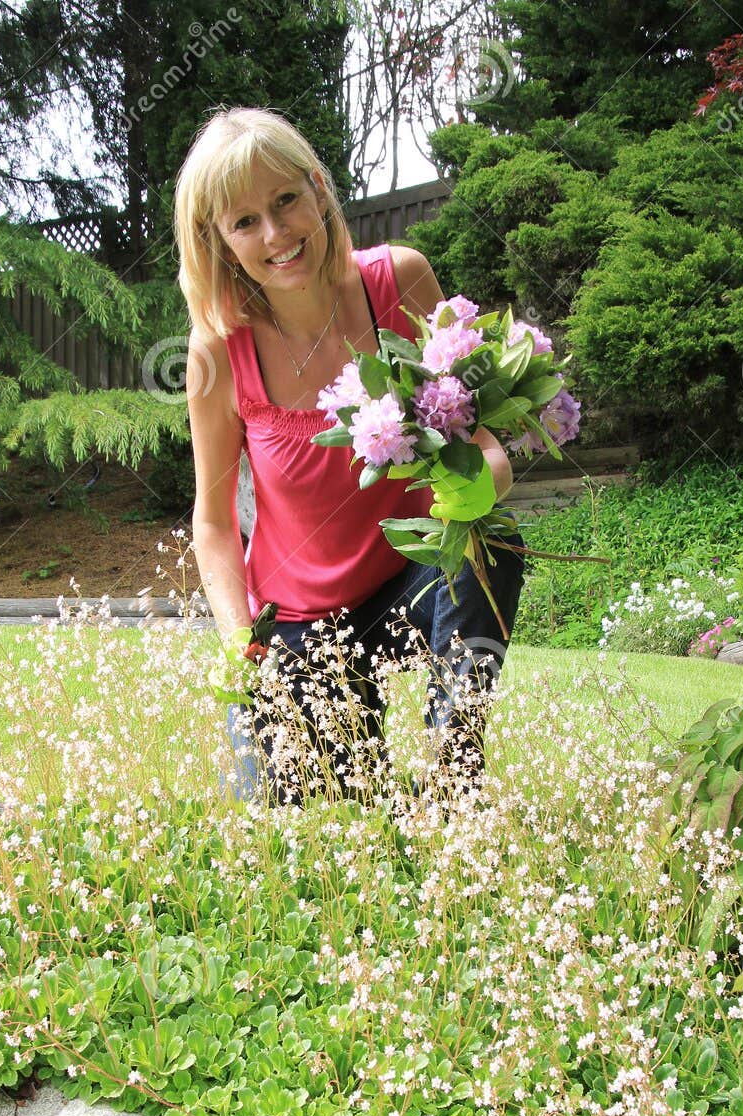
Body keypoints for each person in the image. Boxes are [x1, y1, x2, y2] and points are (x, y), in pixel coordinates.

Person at [173, 106, 528, 805]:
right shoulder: (217, 350)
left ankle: (452, 786)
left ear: (316, 190)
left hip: (412, 584)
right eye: (245, 222)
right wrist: (238, 639)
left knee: (492, 545)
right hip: (301, 624)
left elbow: (485, 442)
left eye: (285, 201)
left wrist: (479, 486)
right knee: (305, 824)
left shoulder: (398, 281)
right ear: (217, 240)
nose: (275, 235)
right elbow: (214, 523)